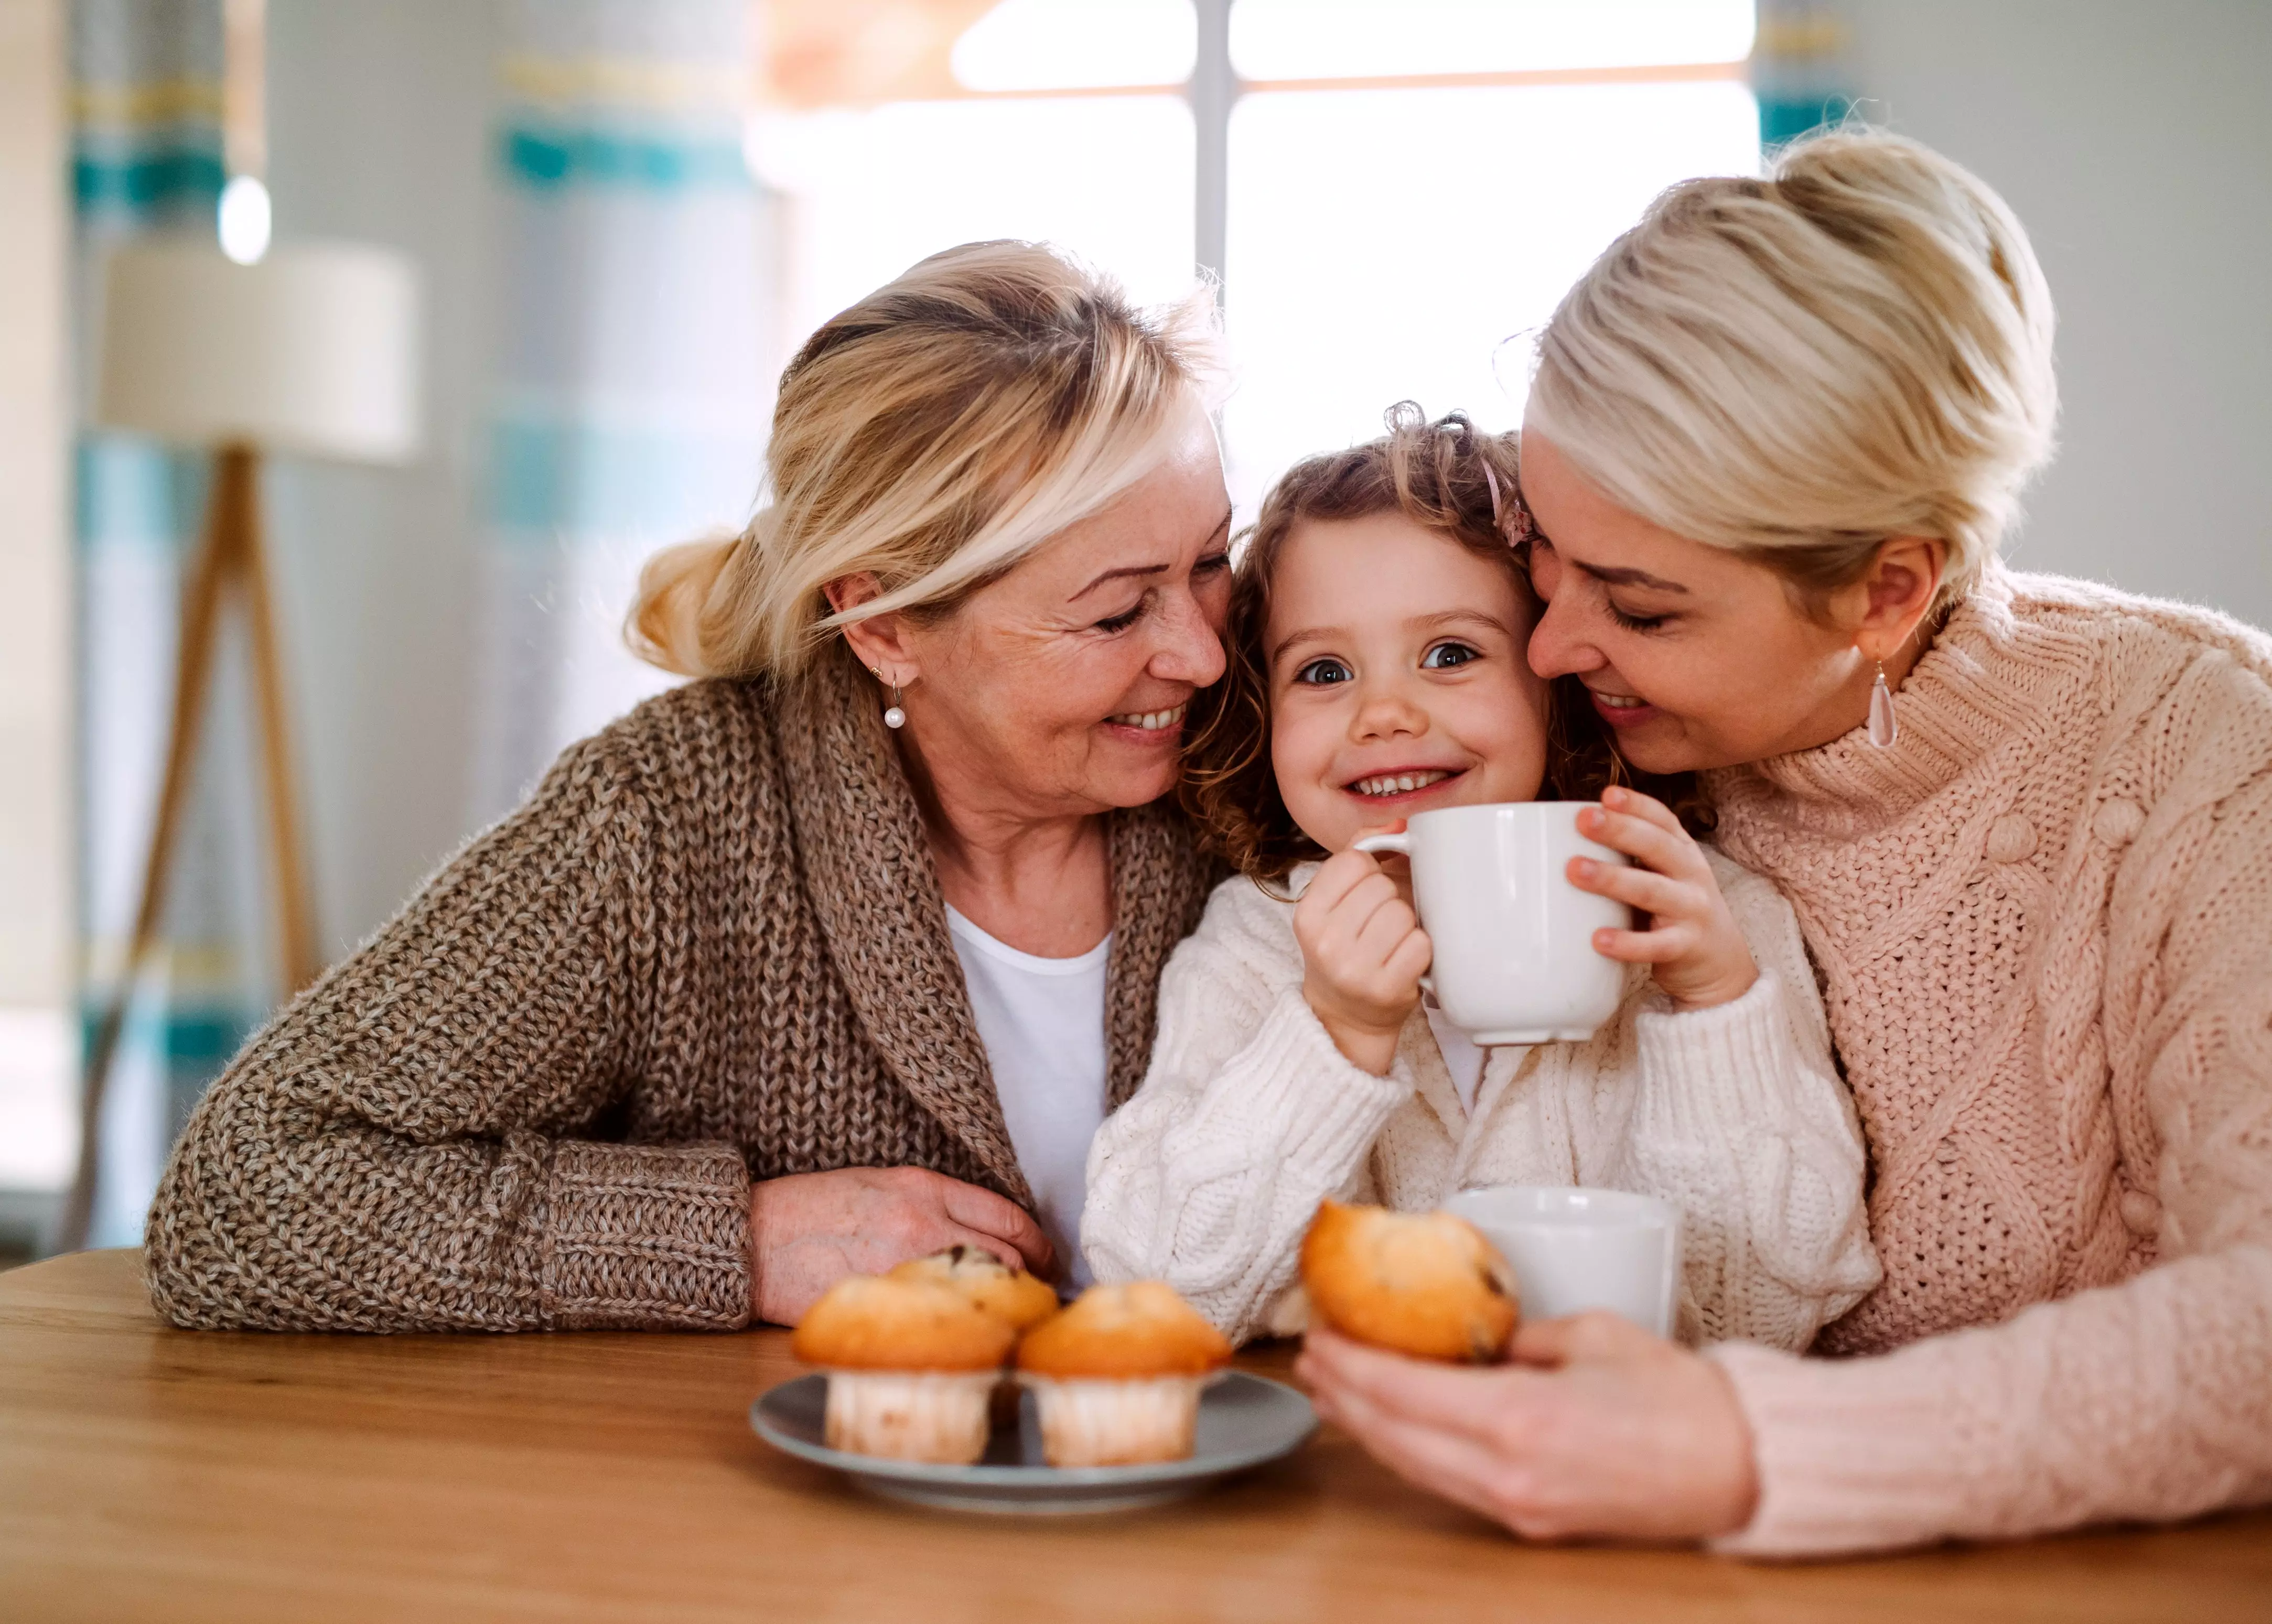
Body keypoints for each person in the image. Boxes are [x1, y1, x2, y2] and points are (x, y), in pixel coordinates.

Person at [1296, 128, 2272, 1555]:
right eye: (1547, 565)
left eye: (1638, 606)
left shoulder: (2200, 758)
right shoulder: (1571, 747)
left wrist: (1754, 1448)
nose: (1556, 648)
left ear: (1886, 590)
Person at [143, 242, 1236, 1332]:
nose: (1203, 655)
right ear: (885, 622)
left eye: (1211, 564)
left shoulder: (1262, 772)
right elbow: (244, 1194)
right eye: (1117, 612)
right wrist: (740, 1241)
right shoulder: (667, 822)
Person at [1082, 407, 1879, 1351]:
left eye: (1451, 654)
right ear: (1265, 706)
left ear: (1553, 676)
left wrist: (1715, 1009)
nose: (1383, 712)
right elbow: (1163, 1291)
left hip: (1624, 1473)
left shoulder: (1704, 919)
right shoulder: (1257, 944)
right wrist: (1333, 1037)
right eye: (1325, 670)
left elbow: (1765, 1313)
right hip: (1359, 1481)